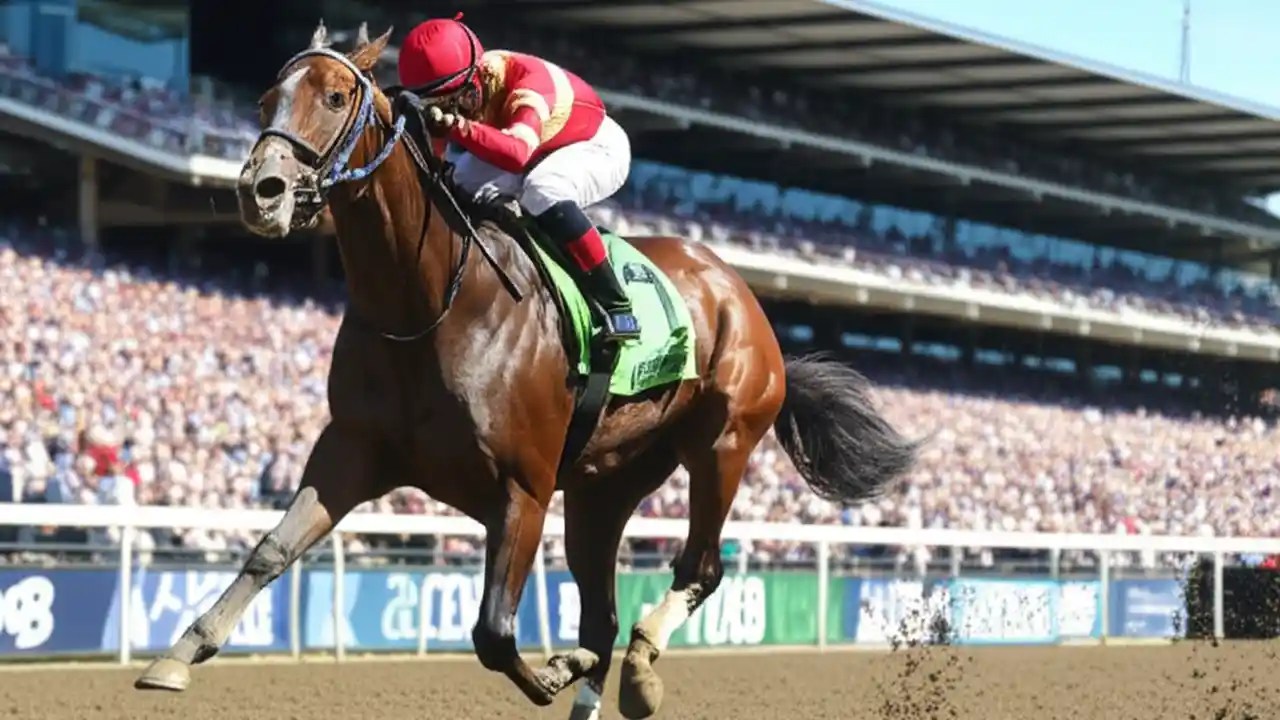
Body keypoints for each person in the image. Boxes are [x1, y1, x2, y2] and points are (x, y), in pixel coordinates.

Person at [396, 15, 640, 343]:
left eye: (456, 102)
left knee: (542, 190)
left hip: (592, 144)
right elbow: (439, 153)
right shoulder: (468, 82)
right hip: (530, 143)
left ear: (476, 77)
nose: (457, 111)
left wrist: (457, 125)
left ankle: (617, 305)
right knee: (456, 187)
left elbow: (517, 155)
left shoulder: (529, 84)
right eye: (438, 104)